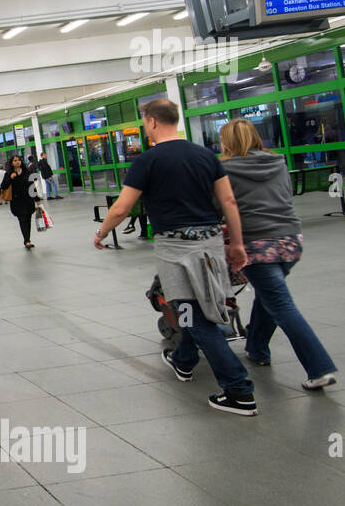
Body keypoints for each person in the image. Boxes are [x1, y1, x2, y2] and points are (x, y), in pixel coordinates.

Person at [94, 98, 254, 416]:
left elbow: (123, 207)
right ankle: (183, 361)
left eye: (144, 121)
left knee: (191, 317)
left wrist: (101, 234)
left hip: (176, 250)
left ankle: (239, 390)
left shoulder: (147, 161)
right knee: (200, 311)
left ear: (152, 121)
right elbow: (229, 202)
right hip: (210, 245)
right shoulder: (206, 155)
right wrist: (236, 245)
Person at [220, 118, 338, 390]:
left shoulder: (224, 169)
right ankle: (257, 348)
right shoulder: (278, 162)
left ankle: (320, 368)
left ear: (227, 142)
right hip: (290, 240)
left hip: (257, 245)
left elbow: (222, 205)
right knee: (269, 296)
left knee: (281, 305)